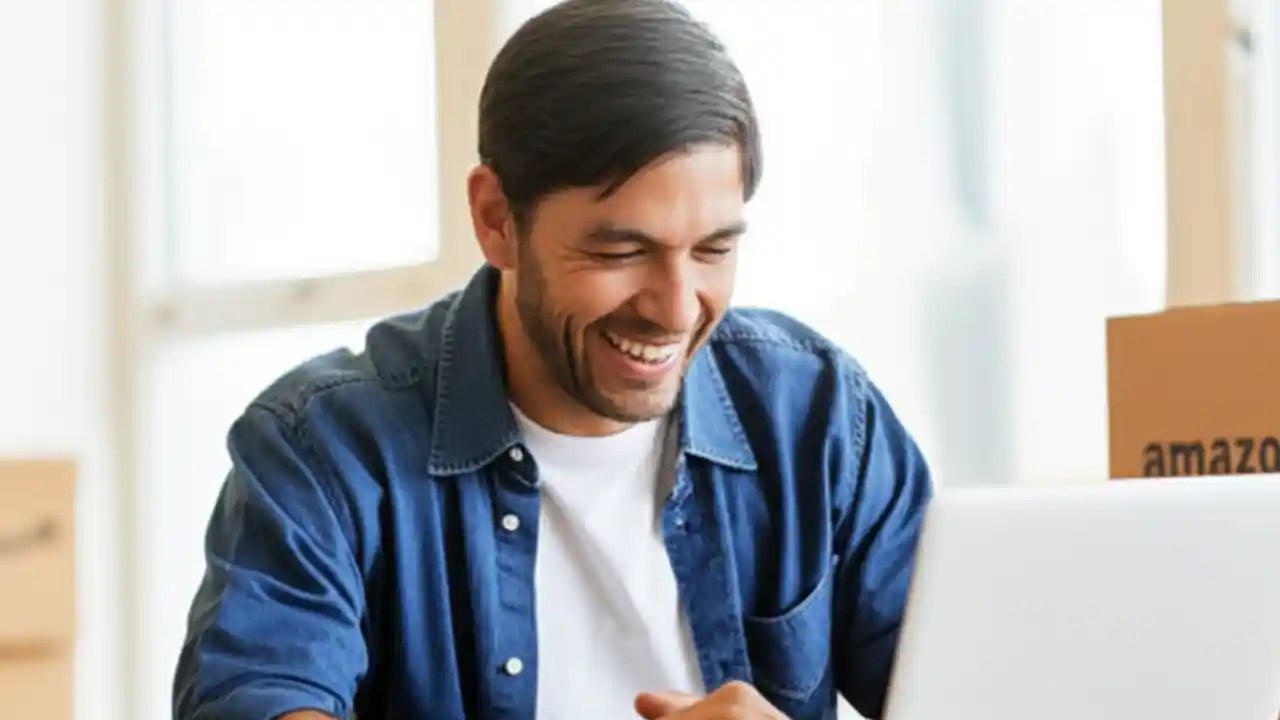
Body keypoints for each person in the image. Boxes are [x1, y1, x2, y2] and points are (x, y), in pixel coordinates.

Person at [172, 1, 933, 718]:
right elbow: (260, 696)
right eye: (620, 250)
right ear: (497, 219)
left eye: (713, 250)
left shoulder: (820, 418)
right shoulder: (325, 452)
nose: (675, 307)